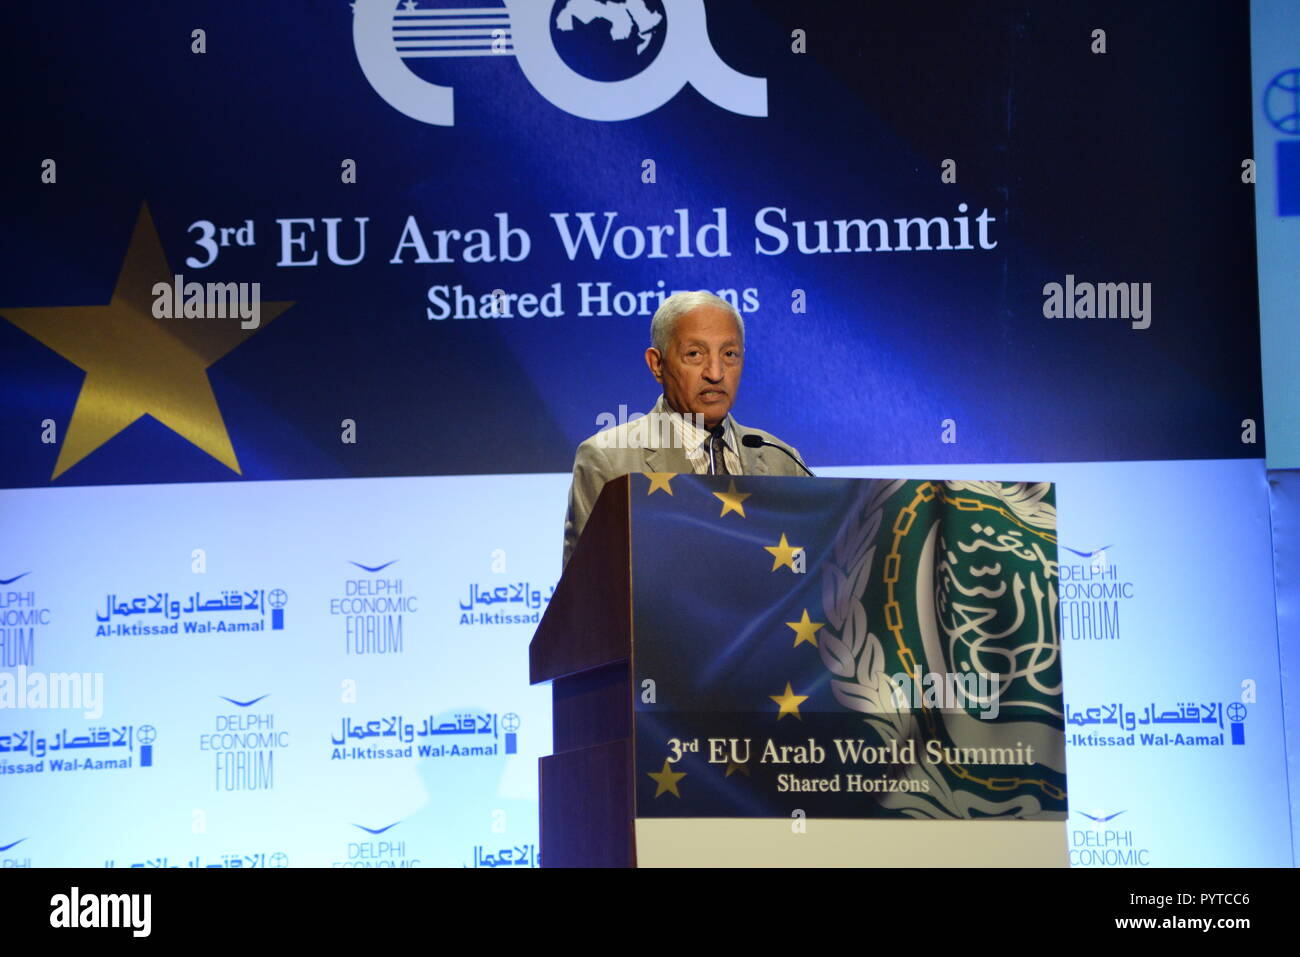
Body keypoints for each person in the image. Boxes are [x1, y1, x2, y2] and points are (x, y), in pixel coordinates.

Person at [562, 290, 810, 568]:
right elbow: (589, 592)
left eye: (730, 354)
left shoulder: (782, 459)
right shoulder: (608, 461)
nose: (716, 373)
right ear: (657, 364)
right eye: (694, 354)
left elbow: (808, 573)